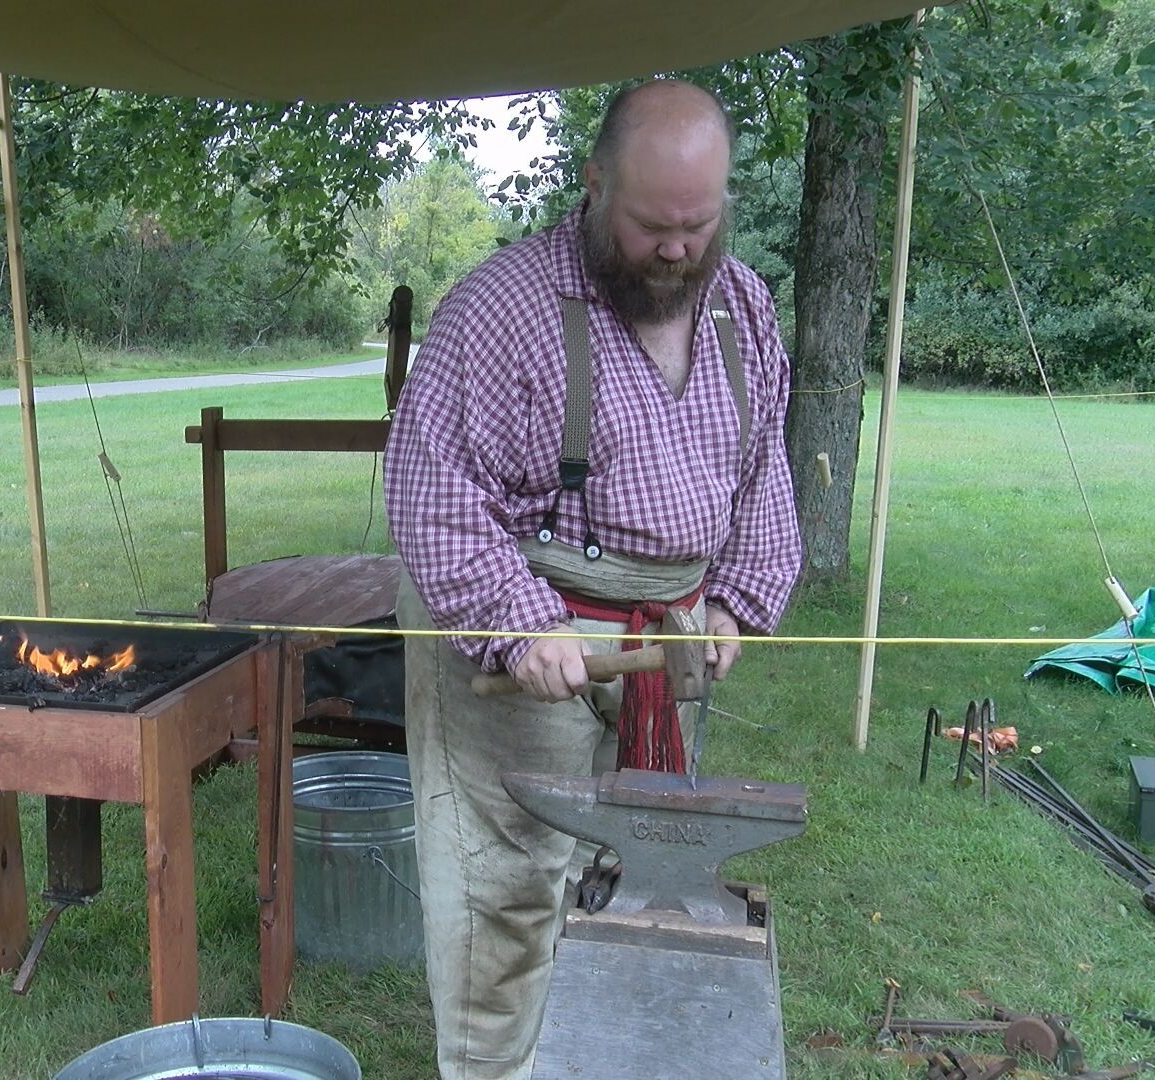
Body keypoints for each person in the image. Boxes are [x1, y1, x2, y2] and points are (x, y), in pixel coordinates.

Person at [382, 80, 803, 1079]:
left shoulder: (741, 305)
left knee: (642, 882)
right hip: (528, 642)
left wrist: (741, 595)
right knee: (508, 900)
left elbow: (763, 474)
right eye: (654, 225)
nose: (677, 251)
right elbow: (428, 489)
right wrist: (517, 624)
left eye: (699, 226)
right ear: (594, 183)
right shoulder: (504, 311)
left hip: (671, 646)